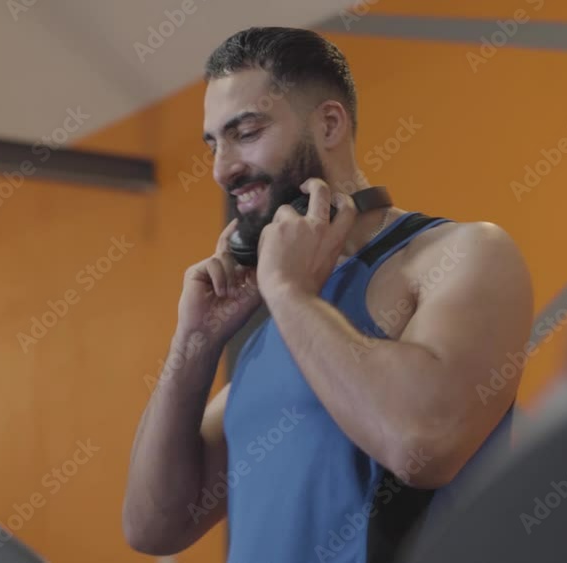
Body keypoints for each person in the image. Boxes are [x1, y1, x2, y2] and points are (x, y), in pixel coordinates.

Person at [123, 26, 534, 562]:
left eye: (246, 132)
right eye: (213, 144)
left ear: (330, 124)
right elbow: (153, 527)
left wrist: (289, 293)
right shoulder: (278, 331)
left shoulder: (462, 254)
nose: (222, 168)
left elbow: (424, 442)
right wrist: (195, 340)